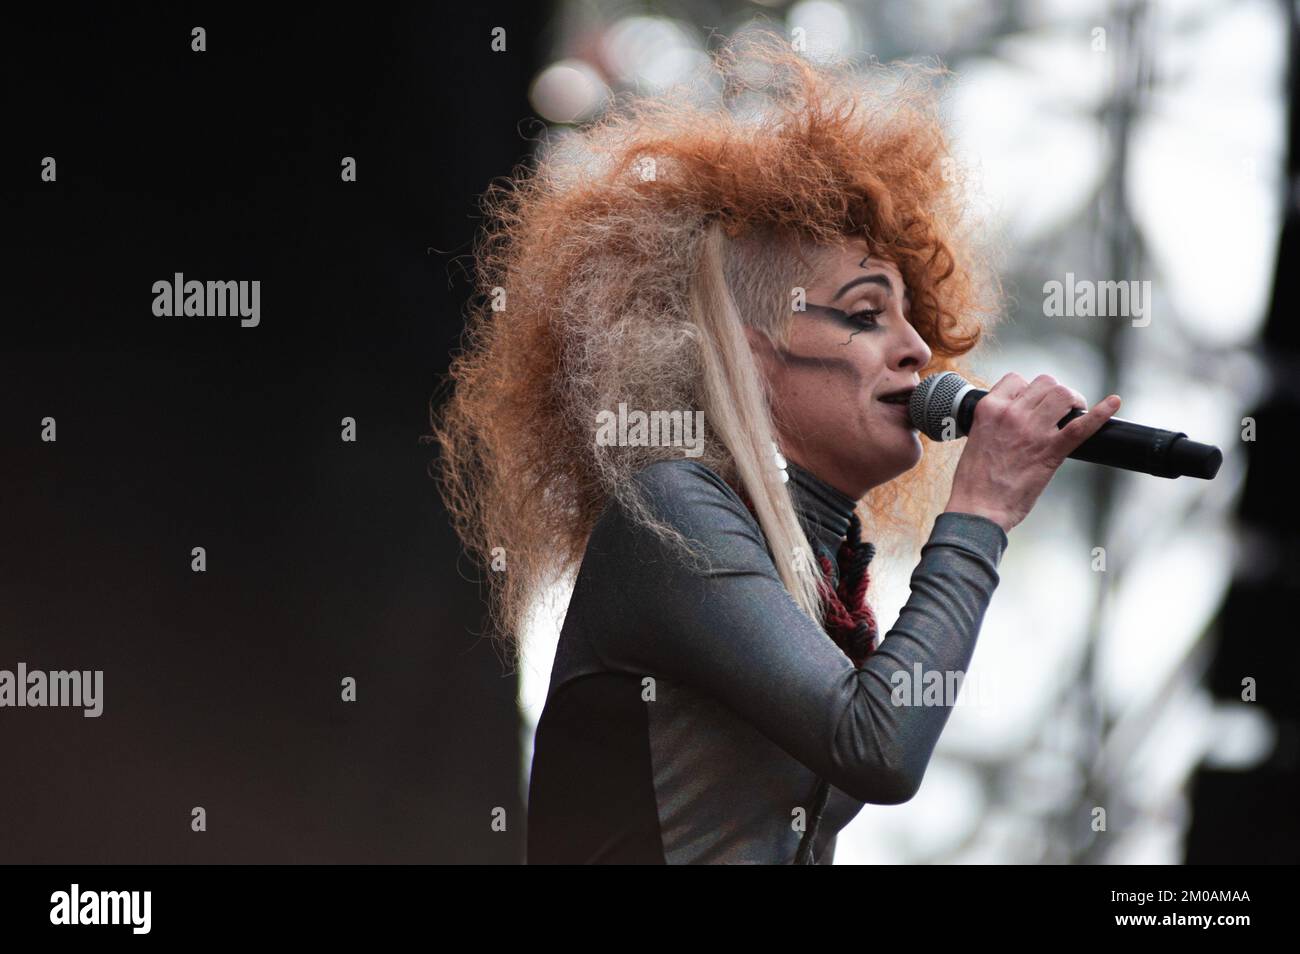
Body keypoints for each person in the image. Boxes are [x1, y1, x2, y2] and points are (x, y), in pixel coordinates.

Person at [430, 31, 1120, 864]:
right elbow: (879, 746)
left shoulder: (814, 558)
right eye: (866, 314)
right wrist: (979, 511)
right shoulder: (670, 509)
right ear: (746, 355)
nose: (917, 351)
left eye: (911, 319)